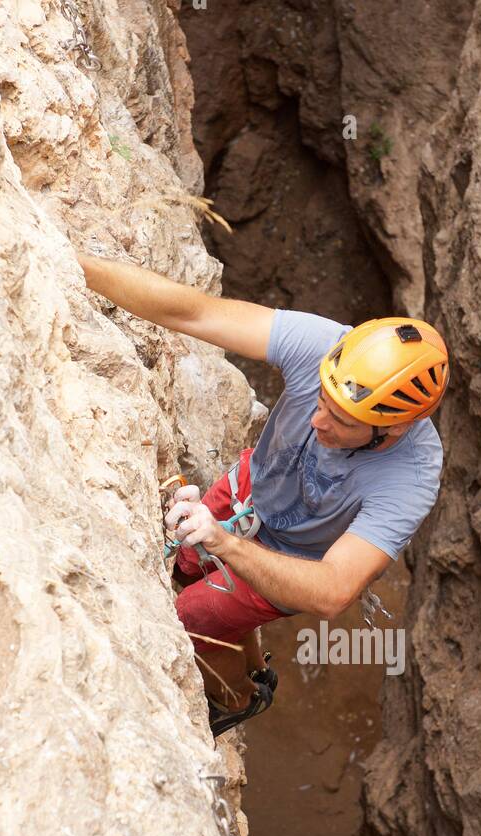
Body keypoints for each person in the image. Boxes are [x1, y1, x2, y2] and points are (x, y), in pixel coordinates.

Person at [77, 254, 449, 733]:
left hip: (292, 557)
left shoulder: (411, 478)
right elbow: (193, 312)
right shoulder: (324, 346)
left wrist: (227, 545)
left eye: (342, 422)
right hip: (255, 489)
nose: (318, 422)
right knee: (186, 566)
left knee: (187, 618)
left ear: (393, 429)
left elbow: (333, 591)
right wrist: (76, 263)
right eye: (320, 399)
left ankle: (240, 698)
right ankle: (248, 653)